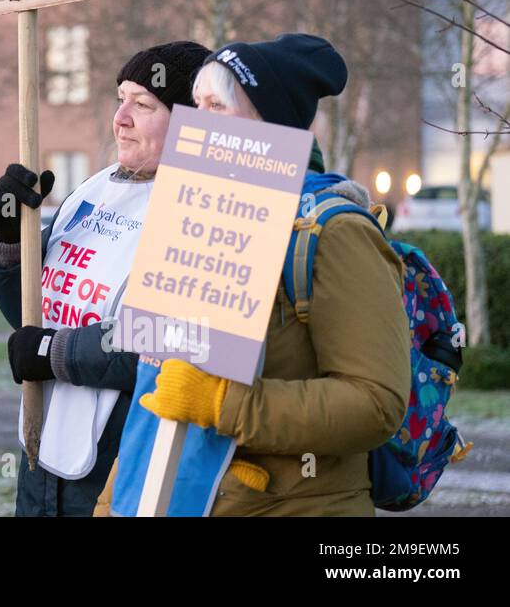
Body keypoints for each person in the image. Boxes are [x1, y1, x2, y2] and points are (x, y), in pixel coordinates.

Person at [132, 33, 411, 515]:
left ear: (269, 126)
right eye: (194, 105)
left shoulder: (335, 231)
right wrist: (112, 504)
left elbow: (375, 403)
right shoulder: (193, 219)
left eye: (215, 106)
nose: (194, 123)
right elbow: (155, 393)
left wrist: (227, 405)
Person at [0, 41, 211, 516]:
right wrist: (9, 244)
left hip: (121, 468)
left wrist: (52, 352)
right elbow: (32, 314)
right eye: (120, 99)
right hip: (42, 459)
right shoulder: (97, 189)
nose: (121, 118)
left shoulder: (201, 209)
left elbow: (173, 344)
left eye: (144, 104)